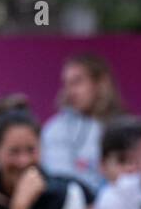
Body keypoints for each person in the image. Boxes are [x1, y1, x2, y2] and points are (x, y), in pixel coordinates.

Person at [40, 53, 125, 195]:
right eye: (66, 84)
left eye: (77, 82)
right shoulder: (54, 129)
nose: (70, 91)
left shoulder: (121, 127)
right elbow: (56, 178)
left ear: (101, 84)